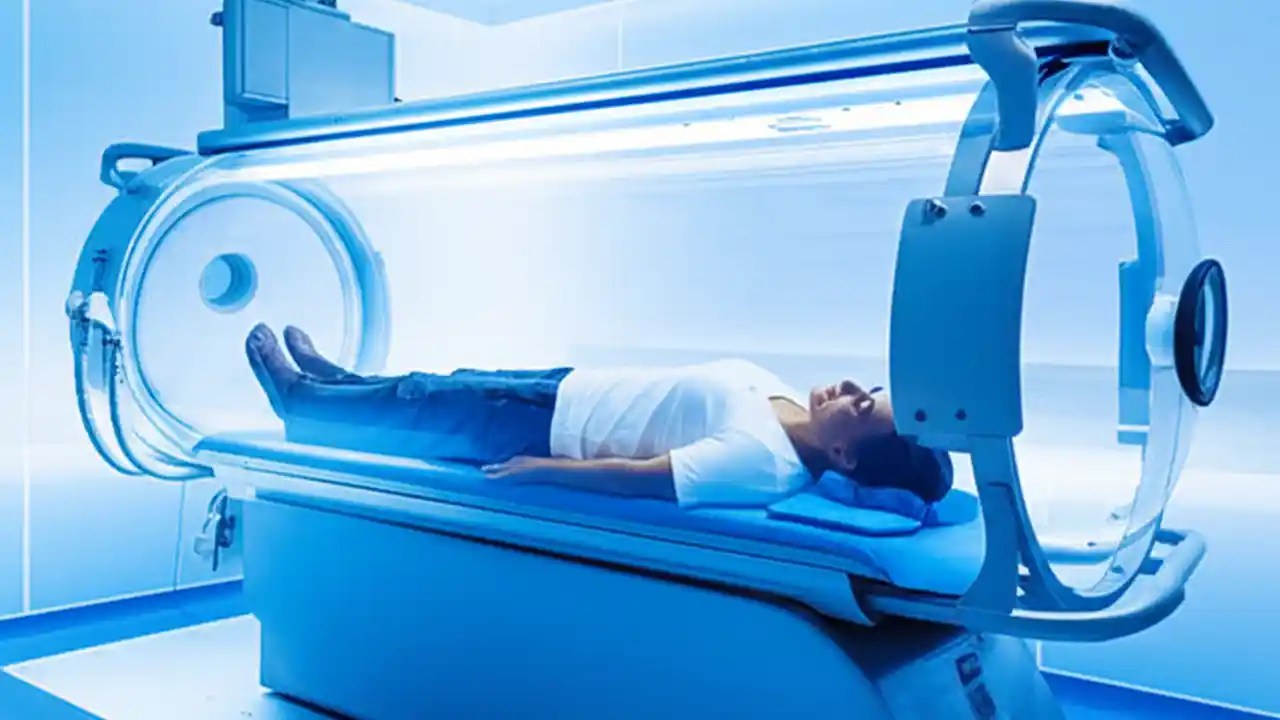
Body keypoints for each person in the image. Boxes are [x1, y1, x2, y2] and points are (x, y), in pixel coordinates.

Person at [245, 323, 952, 507]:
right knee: (437, 384)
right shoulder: (788, 407)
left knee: (421, 408)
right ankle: (339, 382)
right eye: (872, 387)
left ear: (847, 458)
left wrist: (540, 471)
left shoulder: (761, 463)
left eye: (863, 408)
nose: (855, 388)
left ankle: (300, 403)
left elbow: (639, 478)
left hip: (552, 431)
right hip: (568, 389)